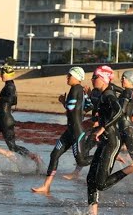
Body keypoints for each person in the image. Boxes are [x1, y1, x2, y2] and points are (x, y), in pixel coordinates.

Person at [85, 66, 133, 215]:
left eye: (94, 77)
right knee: (90, 178)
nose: (92, 79)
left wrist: (103, 127)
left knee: (101, 184)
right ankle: (92, 214)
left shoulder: (108, 95)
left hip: (112, 142)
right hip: (104, 141)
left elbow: (120, 112)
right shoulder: (104, 93)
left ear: (102, 79)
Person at [33, 66, 90, 195]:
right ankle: (46, 186)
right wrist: (80, 110)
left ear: (76, 77)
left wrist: (63, 101)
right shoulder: (79, 90)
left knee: (81, 160)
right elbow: (89, 105)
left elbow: (70, 108)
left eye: (69, 75)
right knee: (54, 155)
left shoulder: (76, 89)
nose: (67, 77)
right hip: (70, 130)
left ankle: (101, 156)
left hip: (77, 131)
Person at [0, 65, 43, 169]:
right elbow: (11, 102)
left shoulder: (10, 87)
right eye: (1, 73)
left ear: (9, 74)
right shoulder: (9, 86)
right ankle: (33, 157)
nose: (1, 75)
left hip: (5, 121)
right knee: (11, 146)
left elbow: (10, 100)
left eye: (3, 73)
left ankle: (7, 153)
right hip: (3, 120)